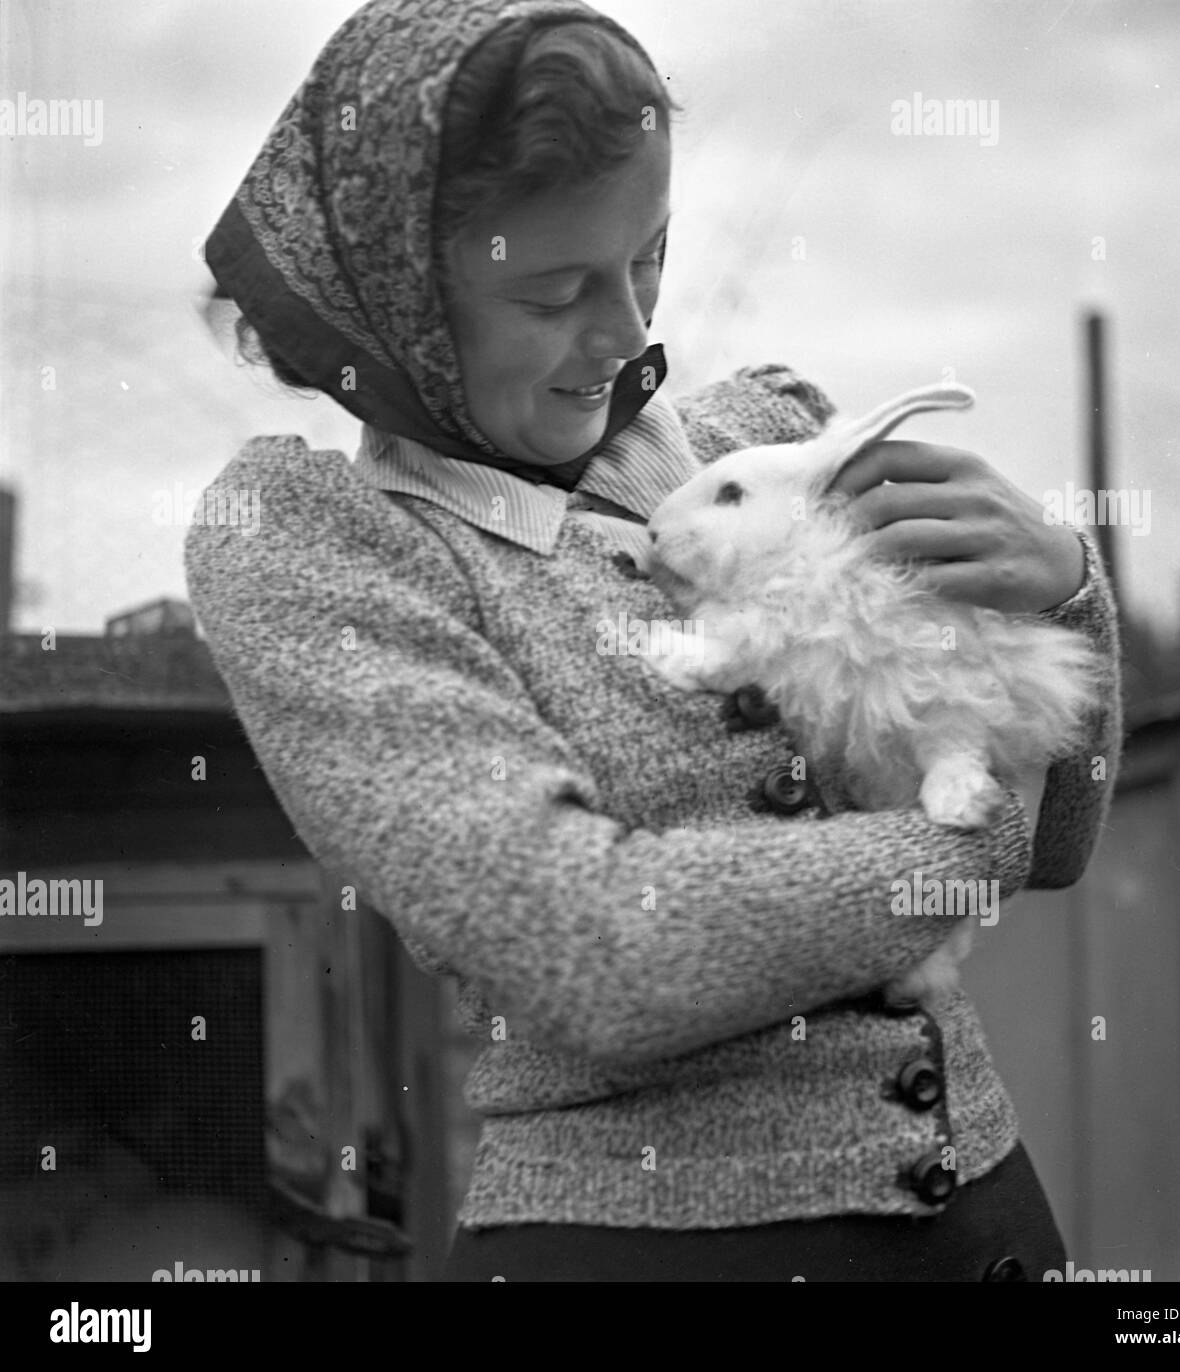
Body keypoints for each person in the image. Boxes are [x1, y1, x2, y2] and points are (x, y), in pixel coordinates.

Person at [186, 0, 1122, 1282]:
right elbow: (601, 949)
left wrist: (1066, 591)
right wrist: (976, 836)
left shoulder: (765, 452)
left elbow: (1067, 839)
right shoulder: (325, 552)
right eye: (554, 290)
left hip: (988, 1226)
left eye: (648, 258)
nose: (628, 334)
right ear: (392, 305)